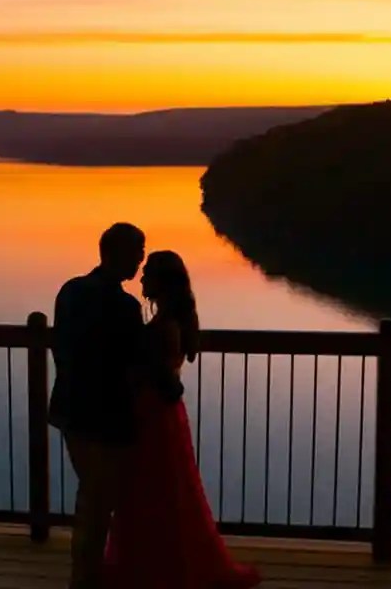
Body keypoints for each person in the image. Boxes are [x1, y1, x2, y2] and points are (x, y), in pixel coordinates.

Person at [104, 250, 261, 588]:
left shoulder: (166, 326)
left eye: (148, 274)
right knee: (160, 491)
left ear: (162, 281)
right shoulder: (170, 321)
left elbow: (167, 380)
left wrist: (135, 377)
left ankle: (153, 567)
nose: (142, 279)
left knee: (154, 491)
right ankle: (154, 564)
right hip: (159, 413)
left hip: (155, 415)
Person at [50, 222, 147, 589]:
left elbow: (61, 348)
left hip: (70, 411)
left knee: (89, 497)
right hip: (105, 418)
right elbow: (132, 365)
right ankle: (86, 580)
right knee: (97, 503)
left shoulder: (70, 291)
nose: (140, 259)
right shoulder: (124, 306)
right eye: (137, 251)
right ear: (117, 253)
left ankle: (85, 575)